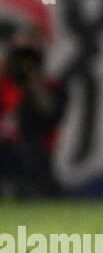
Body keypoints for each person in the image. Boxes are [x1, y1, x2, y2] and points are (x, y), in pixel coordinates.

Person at [0, 28, 67, 199]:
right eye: (20, 54)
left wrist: (31, 80)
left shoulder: (51, 86)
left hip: (33, 159)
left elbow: (50, 114)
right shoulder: (4, 83)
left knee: (28, 149)